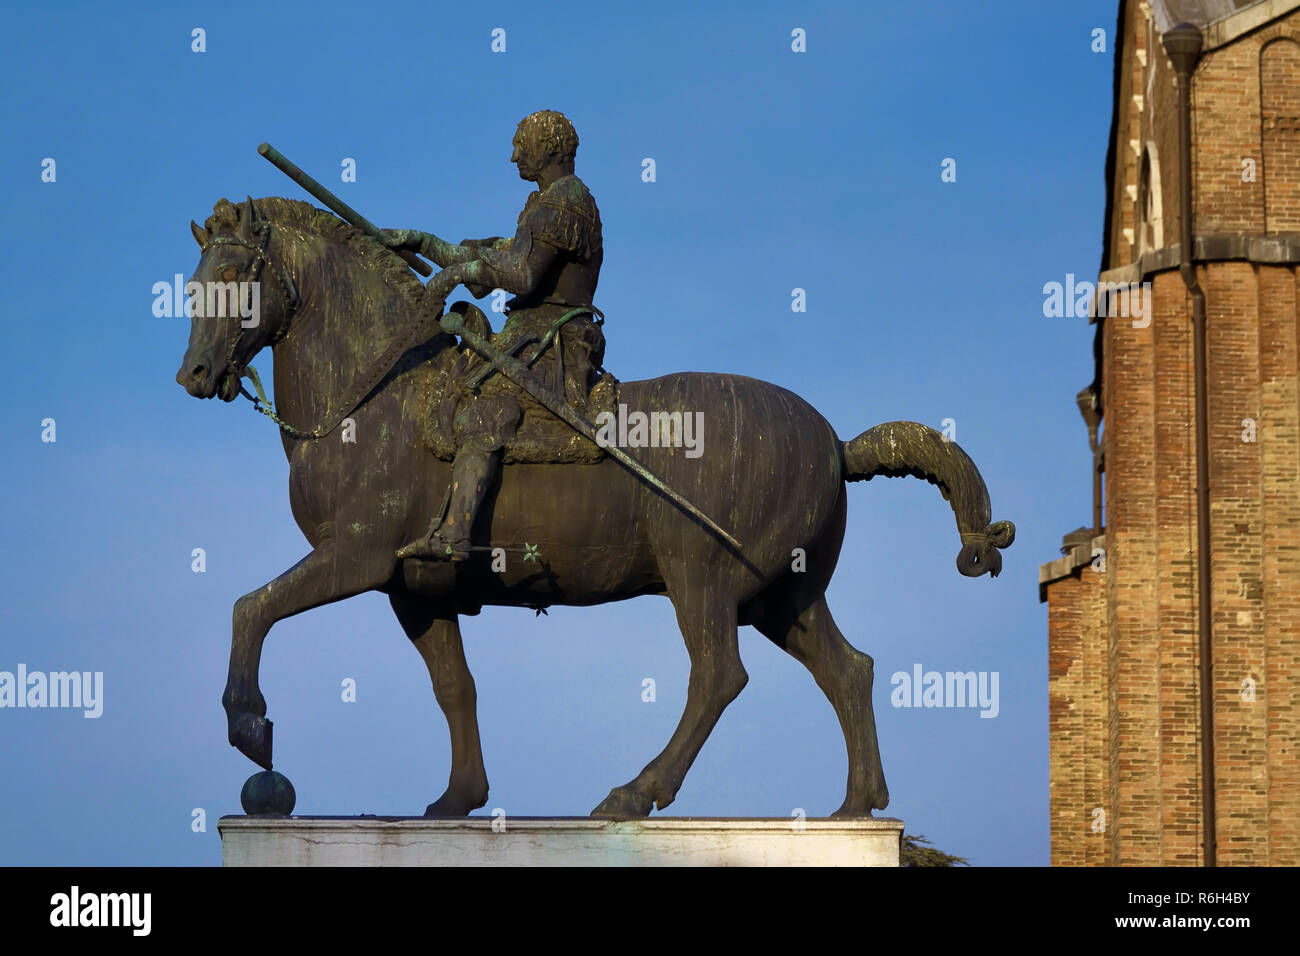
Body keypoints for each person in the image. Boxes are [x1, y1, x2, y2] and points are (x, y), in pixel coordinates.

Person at [384, 110, 605, 561]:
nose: (513, 156)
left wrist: (463, 270)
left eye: (521, 145)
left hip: (552, 343)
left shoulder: (567, 201)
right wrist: (424, 242)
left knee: (484, 412)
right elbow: (498, 256)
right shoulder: (541, 203)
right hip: (529, 335)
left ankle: (455, 534)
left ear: (547, 148)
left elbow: (522, 276)